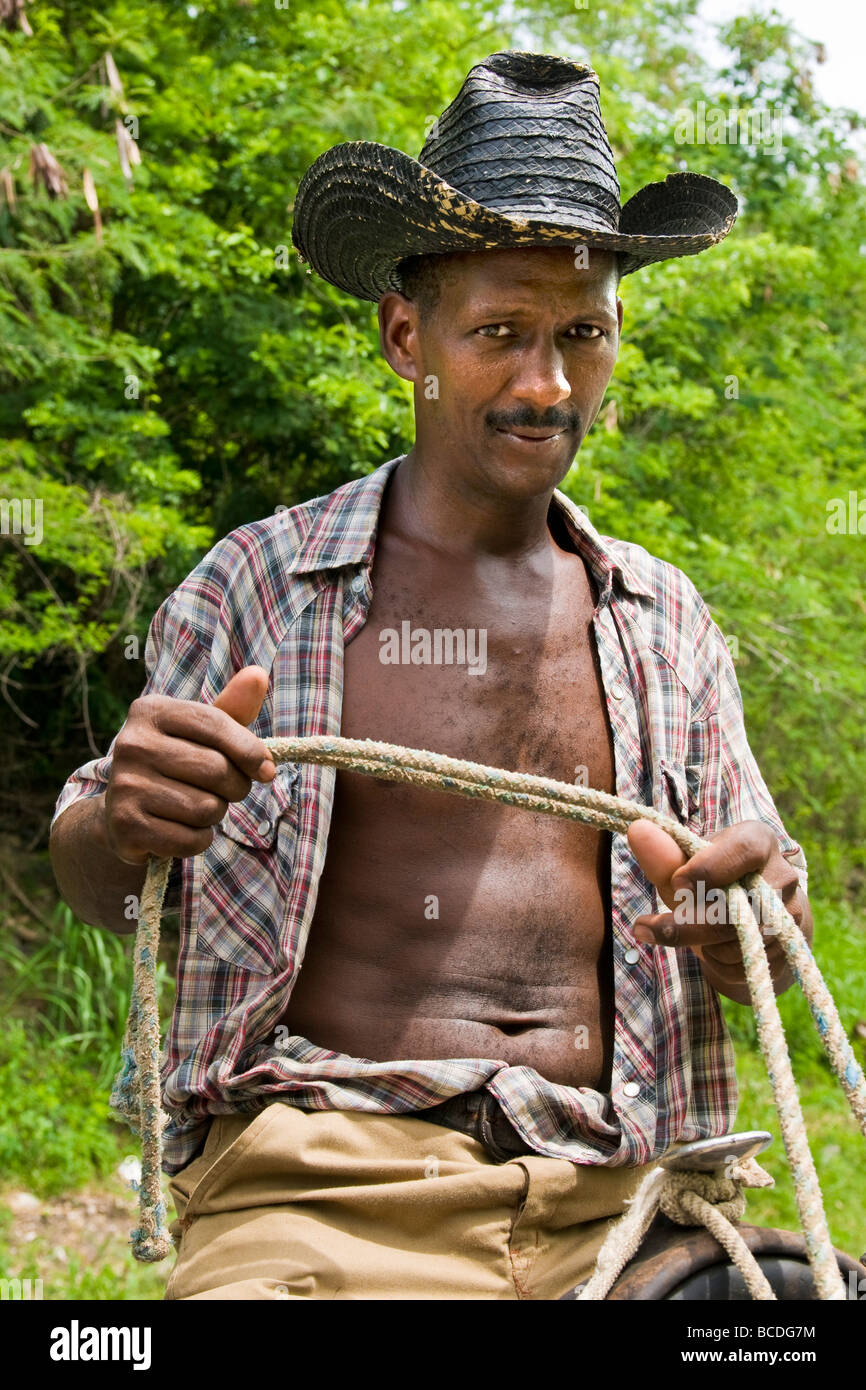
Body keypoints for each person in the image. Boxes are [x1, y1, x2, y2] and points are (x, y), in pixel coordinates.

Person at [49, 50, 811, 1300]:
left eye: (581, 336)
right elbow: (98, 873)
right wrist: (123, 820)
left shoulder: (665, 620)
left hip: (623, 1201)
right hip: (323, 1188)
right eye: (499, 334)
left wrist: (750, 926)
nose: (545, 385)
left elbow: (767, 925)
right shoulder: (259, 585)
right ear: (407, 335)